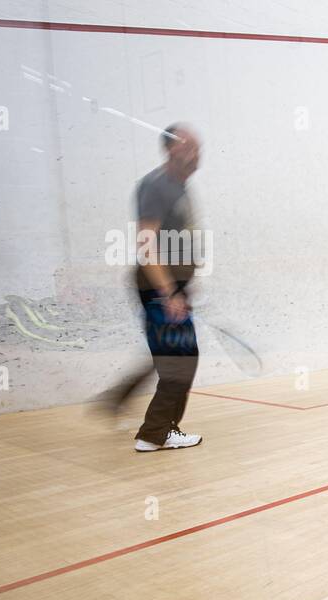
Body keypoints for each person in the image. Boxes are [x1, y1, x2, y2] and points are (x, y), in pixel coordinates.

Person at [104, 123, 204, 452]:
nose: (197, 154)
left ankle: (150, 421)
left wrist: (188, 274)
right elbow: (147, 245)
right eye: (191, 148)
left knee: (177, 355)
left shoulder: (179, 187)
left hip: (172, 287)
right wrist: (169, 292)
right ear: (173, 149)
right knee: (179, 358)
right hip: (159, 288)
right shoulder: (156, 186)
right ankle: (155, 433)